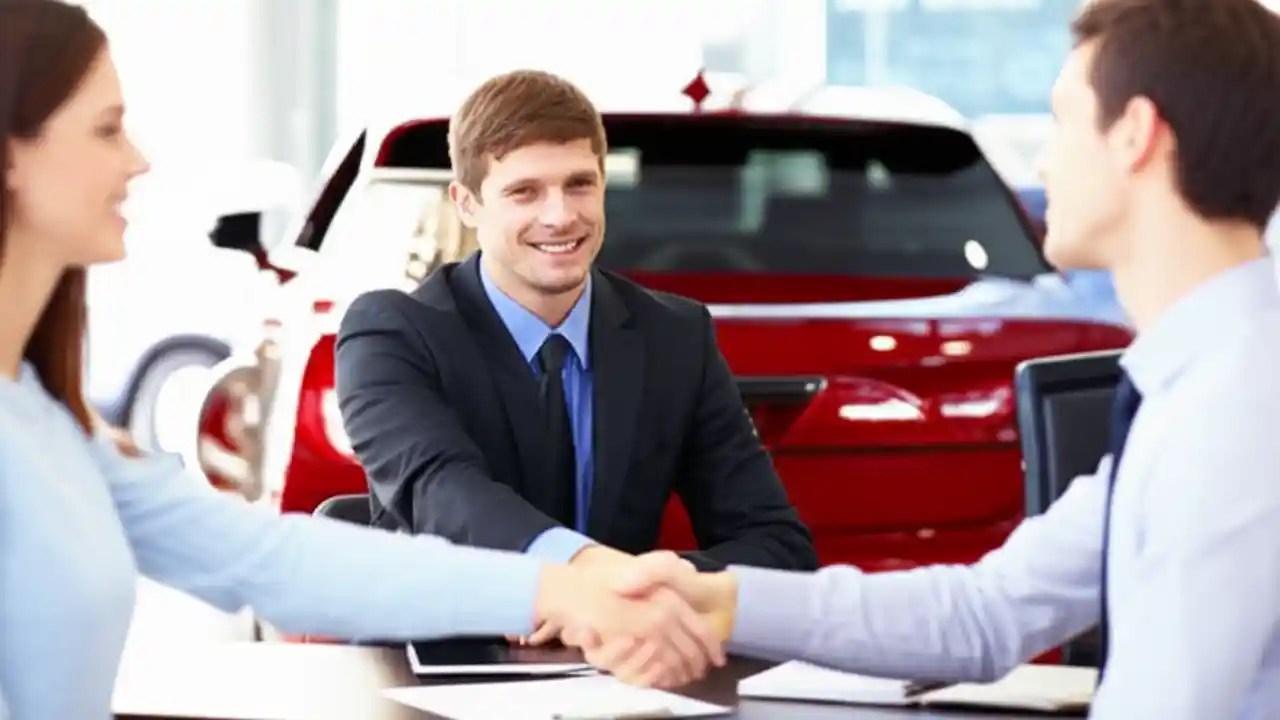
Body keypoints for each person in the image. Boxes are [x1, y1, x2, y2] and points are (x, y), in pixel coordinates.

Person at [0, 3, 725, 717]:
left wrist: (568, 587)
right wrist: (581, 582)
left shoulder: (53, 425)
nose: (138, 159)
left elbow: (276, 561)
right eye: (105, 129)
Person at [575, 1, 1280, 717]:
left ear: (1134, 134)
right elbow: (986, 612)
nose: (1044, 160)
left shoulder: (1235, 414)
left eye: (1063, 120)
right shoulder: (1207, 387)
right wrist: (721, 599)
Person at [334, 68, 818, 643]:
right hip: (443, 668)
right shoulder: (392, 334)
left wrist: (640, 592)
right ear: (466, 204)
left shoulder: (674, 336)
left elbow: (778, 547)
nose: (561, 216)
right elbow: (443, 493)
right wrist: (576, 584)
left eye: (580, 184)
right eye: (524, 191)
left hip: (625, 669)